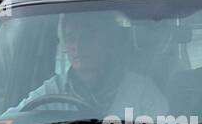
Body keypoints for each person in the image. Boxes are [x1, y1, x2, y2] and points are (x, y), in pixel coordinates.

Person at [14, 12, 169, 117]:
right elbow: (11, 121)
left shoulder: (140, 91)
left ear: (107, 41)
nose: (78, 46)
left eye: (87, 37)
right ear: (64, 45)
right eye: (71, 38)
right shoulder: (51, 91)